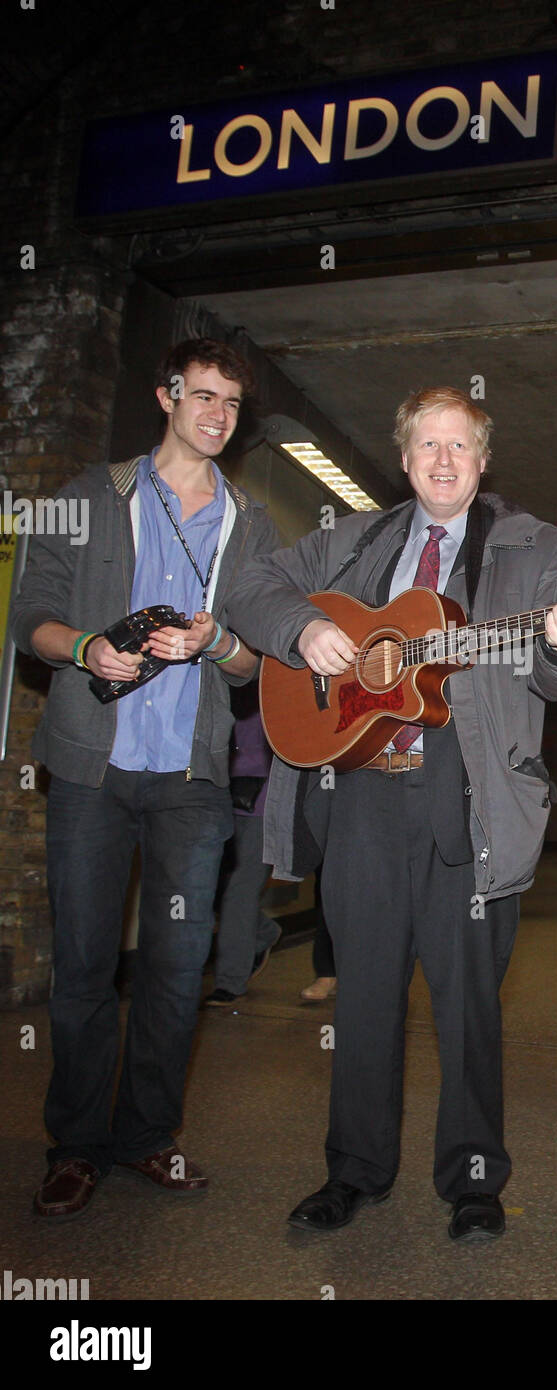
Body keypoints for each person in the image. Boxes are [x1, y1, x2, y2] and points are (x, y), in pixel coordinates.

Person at [228, 386, 557, 1241]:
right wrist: (299, 633)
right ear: (404, 461)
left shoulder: (535, 547)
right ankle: (353, 1172)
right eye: (427, 446)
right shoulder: (354, 539)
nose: (442, 461)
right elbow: (250, 585)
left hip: (463, 796)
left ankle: (472, 1181)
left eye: (459, 446)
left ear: (482, 460)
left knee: (469, 1002)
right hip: (356, 792)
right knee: (361, 996)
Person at [12, 338, 278, 1218]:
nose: (216, 417)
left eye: (231, 406)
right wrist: (87, 647)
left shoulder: (250, 522)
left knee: (174, 966)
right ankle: (76, 1145)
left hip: (191, 780)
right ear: (167, 397)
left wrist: (219, 643)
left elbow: (251, 664)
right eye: (202, 397)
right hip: (94, 768)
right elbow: (31, 614)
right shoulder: (95, 494)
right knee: (86, 966)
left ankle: (147, 1138)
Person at [204, 684, 282, 1007]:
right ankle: (263, 933)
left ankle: (230, 981)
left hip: (262, 795)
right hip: (214, 791)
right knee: (208, 887)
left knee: (240, 887)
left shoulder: (270, 672)